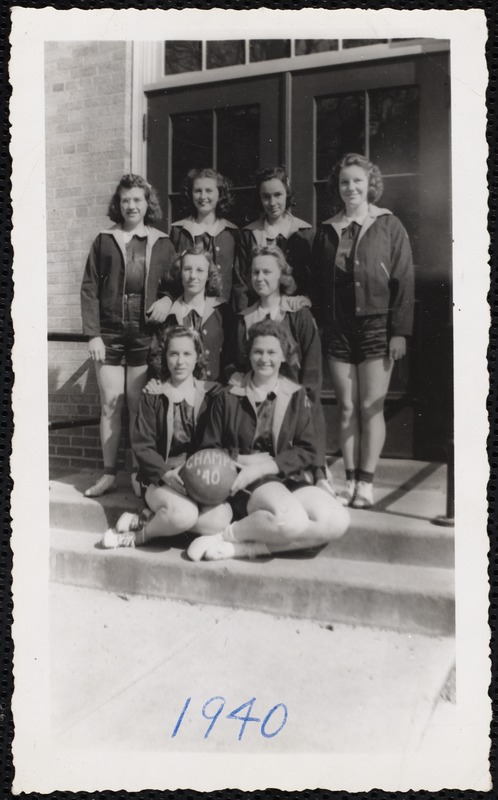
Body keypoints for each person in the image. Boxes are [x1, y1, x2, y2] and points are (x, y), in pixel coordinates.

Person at [187, 319, 350, 562]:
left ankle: (240, 545)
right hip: (243, 483)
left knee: (337, 520)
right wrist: (243, 462)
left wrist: (266, 466)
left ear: (284, 355)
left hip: (286, 478)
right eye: (258, 351)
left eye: (272, 352)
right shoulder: (228, 395)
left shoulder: (295, 395)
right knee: (292, 521)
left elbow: (307, 450)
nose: (265, 359)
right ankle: (226, 535)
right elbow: (209, 447)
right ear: (249, 354)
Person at [312, 153, 415, 508]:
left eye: (357, 180)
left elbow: (404, 280)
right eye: (344, 182)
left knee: (371, 405)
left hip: (377, 327)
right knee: (346, 407)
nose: (351, 187)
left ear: (370, 184)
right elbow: (317, 284)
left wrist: (399, 331)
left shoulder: (389, 225)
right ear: (337, 187)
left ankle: (367, 483)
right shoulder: (327, 230)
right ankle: (350, 481)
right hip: (338, 329)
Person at [81, 173, 176, 498]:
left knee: (137, 405)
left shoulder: (162, 242)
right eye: (125, 200)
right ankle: (109, 474)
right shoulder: (104, 240)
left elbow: (176, 285)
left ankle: (137, 473)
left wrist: (166, 300)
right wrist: (92, 334)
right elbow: (90, 287)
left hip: (144, 335)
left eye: (137, 199)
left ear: (147, 203)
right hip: (108, 335)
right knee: (110, 403)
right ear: (117, 204)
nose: (131, 205)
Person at [101, 326, 232, 549]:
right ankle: (136, 537)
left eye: (187, 354)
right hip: (161, 477)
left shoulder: (212, 395)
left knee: (220, 519)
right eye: (173, 354)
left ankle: (146, 519)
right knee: (184, 514)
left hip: (196, 477)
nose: (180, 361)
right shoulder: (154, 395)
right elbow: (142, 446)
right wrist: (164, 474)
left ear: (198, 357)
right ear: (165, 357)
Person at [228, 244, 333, 493]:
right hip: (260, 402)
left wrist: (304, 399)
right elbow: (235, 362)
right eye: (255, 273)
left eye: (267, 272)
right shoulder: (245, 318)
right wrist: (233, 374)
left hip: (296, 402)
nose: (260, 278)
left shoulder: (298, 313)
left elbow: (312, 368)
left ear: (282, 276)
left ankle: (319, 472)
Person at [232, 166, 314, 311]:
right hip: (258, 311)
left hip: (295, 310)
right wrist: (244, 317)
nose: (272, 203)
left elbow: (314, 280)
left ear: (286, 194)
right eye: (266, 197)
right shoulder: (249, 234)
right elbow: (241, 283)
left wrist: (306, 298)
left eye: (278, 195)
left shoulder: (305, 233)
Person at [149, 245, 235, 382]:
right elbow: (157, 356)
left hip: (215, 391)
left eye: (200, 270)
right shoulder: (170, 315)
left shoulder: (222, 311)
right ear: (180, 273)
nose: (193, 276)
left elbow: (232, 355)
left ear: (209, 275)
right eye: (187, 269)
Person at [170, 168, 239, 301]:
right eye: (197, 191)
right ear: (190, 194)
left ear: (220, 194)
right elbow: (170, 275)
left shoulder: (232, 233)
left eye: (209, 190)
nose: (203, 197)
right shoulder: (178, 231)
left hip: (222, 310)